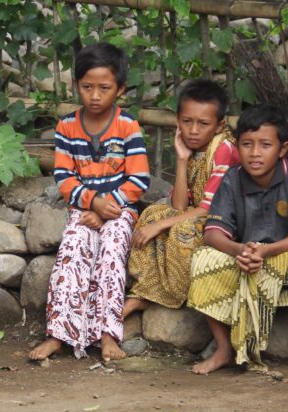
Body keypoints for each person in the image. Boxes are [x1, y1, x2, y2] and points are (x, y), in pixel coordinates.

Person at [29, 42, 151, 363]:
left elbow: (139, 180)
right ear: (76, 86)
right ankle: (58, 333)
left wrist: (107, 206)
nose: (95, 95)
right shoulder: (67, 127)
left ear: (120, 89)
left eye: (104, 88)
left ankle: (108, 333)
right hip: (83, 211)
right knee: (70, 252)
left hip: (120, 212)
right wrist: (91, 202)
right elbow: (64, 176)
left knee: (111, 254)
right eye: (87, 87)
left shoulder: (127, 126)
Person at [186, 104, 288, 379]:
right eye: (247, 144)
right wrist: (239, 249)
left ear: (282, 149)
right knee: (202, 257)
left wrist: (268, 250)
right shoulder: (232, 178)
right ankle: (223, 349)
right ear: (237, 146)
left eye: (265, 145)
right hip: (245, 257)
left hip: (283, 254)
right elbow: (213, 232)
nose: (254, 153)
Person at [123, 79, 238, 318]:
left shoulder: (224, 149)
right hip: (197, 212)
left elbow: (208, 208)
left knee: (181, 229)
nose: (193, 130)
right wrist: (182, 159)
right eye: (187, 122)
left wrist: (161, 226)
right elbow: (178, 205)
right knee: (152, 214)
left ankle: (172, 294)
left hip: (223, 221)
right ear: (178, 121)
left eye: (203, 124)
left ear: (219, 125)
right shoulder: (191, 147)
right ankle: (145, 291)